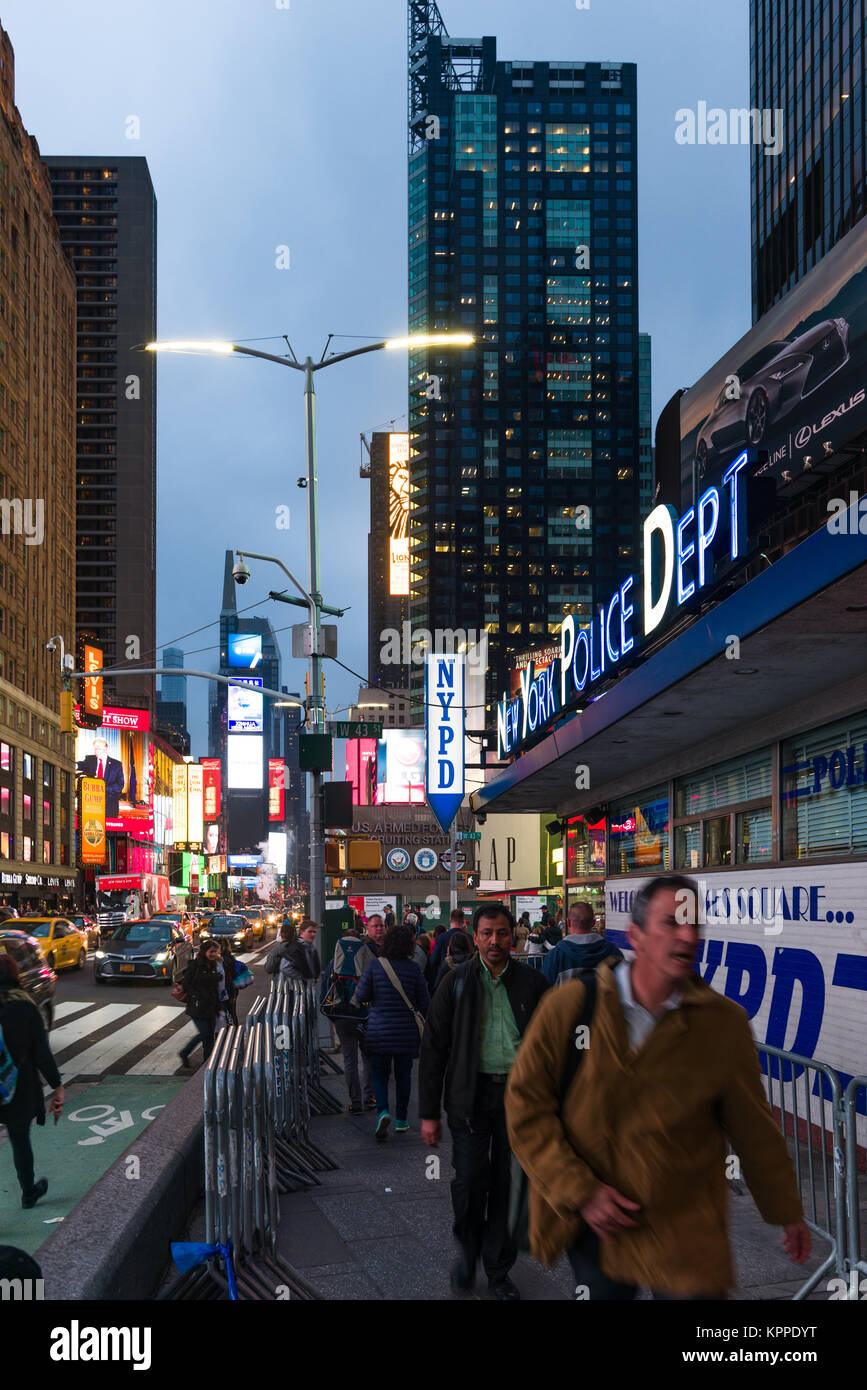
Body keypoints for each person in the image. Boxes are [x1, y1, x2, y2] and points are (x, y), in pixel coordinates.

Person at [505, 874, 811, 1300]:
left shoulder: (722, 1023)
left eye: (694, 924)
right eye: (672, 923)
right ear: (637, 936)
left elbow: (753, 1127)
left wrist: (786, 1211)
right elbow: (526, 1105)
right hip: (598, 1223)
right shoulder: (572, 1005)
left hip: (686, 1222)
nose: (687, 936)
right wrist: (580, 1191)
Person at [418, 904, 549, 1300]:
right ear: (475, 936)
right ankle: (468, 1253)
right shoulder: (455, 983)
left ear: (515, 936)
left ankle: (498, 1270)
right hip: (469, 1097)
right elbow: (433, 1050)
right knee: (471, 1182)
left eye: (503, 933)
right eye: (488, 933)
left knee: (510, 1186)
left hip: (519, 1099)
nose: (496, 941)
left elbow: (552, 1047)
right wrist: (428, 1114)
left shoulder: (533, 983)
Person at [0, 951, 64, 1209]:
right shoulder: (24, 1006)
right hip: (19, 1084)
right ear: (15, 975)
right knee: (19, 1140)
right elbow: (42, 1053)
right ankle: (28, 1192)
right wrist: (57, 1085)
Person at [355, 924, 430, 1140]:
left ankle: (383, 1112)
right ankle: (402, 1120)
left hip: (379, 1030)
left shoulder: (375, 966)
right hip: (406, 1032)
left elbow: (361, 995)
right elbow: (425, 1002)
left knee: (379, 1074)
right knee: (403, 1076)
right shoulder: (413, 969)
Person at [327, 919, 377, 1113]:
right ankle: (369, 1097)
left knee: (349, 1060)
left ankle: (355, 1102)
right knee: (368, 1057)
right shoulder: (367, 955)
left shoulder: (334, 961)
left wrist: (334, 1017)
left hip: (342, 1015)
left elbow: (327, 990)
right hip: (363, 1013)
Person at [541, 901, 623, 985]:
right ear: (593, 923)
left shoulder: (555, 956)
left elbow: (545, 991)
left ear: (568, 922)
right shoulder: (613, 953)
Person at [178, 938, 225, 1067]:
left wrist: (218, 1006)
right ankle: (184, 1052)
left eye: (215, 952)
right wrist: (197, 996)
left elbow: (215, 988)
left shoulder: (214, 965)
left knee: (210, 1037)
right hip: (197, 1006)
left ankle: (207, 1062)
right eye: (211, 952)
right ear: (204, 951)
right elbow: (186, 984)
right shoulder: (195, 965)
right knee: (205, 1033)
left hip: (211, 1006)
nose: (213, 954)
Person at [77, 735, 125, 818]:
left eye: (98, 748)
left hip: (109, 807)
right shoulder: (90, 760)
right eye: (95, 748)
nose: (96, 751)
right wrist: (74, 765)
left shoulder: (116, 765)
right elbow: (82, 765)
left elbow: (119, 786)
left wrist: (101, 788)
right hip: (91, 805)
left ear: (106, 748)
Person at [426, 907, 470, 987]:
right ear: (463, 921)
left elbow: (433, 961)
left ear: (450, 920)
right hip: (467, 980)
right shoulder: (470, 938)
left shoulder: (440, 938)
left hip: (445, 980)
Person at [279, 918, 321, 984]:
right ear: (302, 932)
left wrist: (314, 977)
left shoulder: (311, 948)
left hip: (308, 987)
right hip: (297, 989)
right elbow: (285, 967)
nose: (313, 934)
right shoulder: (294, 947)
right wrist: (302, 977)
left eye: (314, 932)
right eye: (310, 931)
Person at [217, 938, 240, 1025]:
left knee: (228, 1013)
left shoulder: (222, 960)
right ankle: (236, 1031)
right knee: (232, 1012)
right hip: (232, 989)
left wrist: (231, 994)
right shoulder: (230, 957)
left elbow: (227, 978)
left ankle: (232, 1032)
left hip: (227, 990)